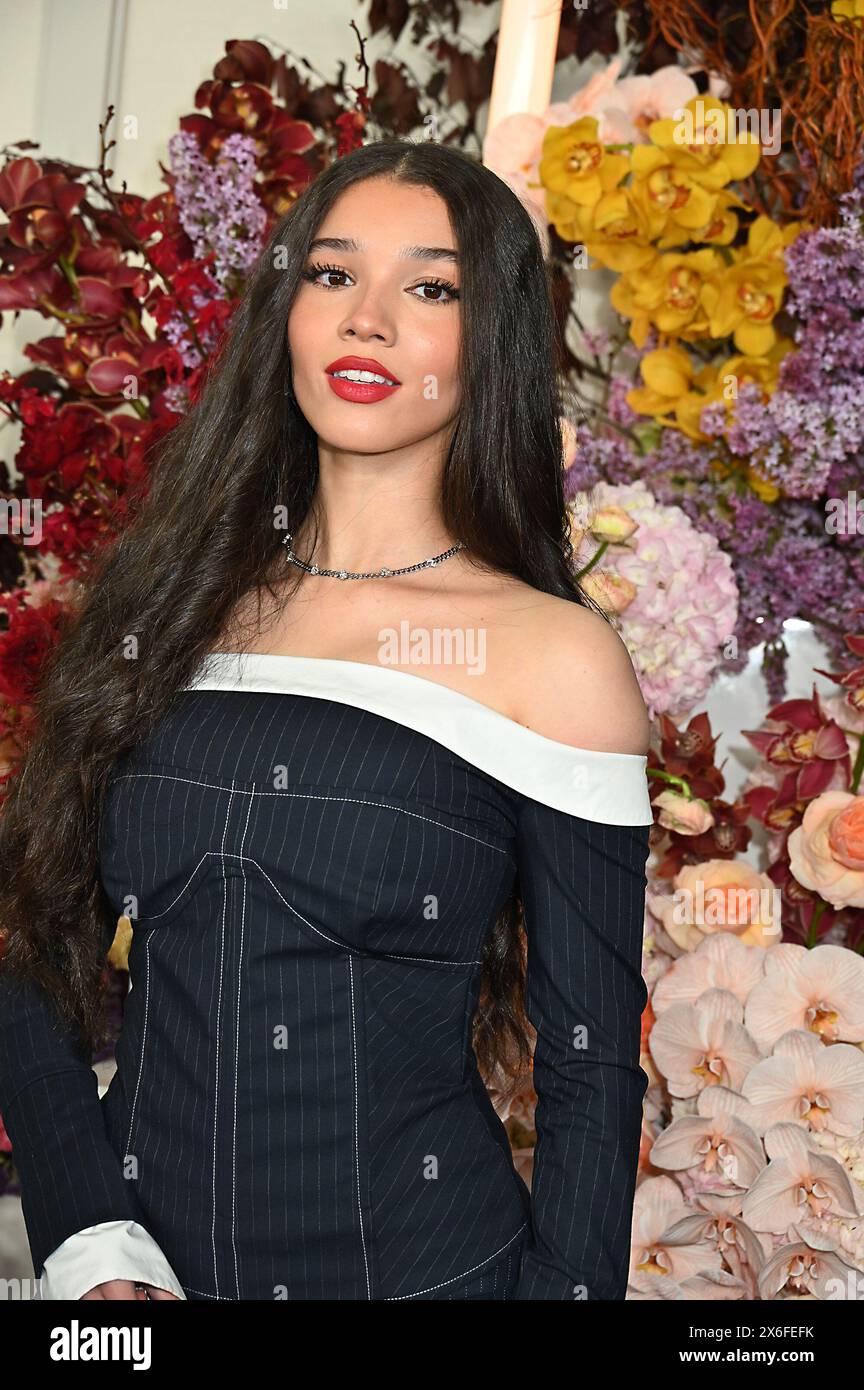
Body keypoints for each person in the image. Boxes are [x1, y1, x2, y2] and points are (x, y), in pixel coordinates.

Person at [0, 137, 653, 1301]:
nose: (370, 320)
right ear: (286, 310)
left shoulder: (557, 657)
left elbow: (593, 1068)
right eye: (335, 274)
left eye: (431, 287)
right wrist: (92, 1242)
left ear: (487, 340)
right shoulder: (165, 604)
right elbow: (26, 944)